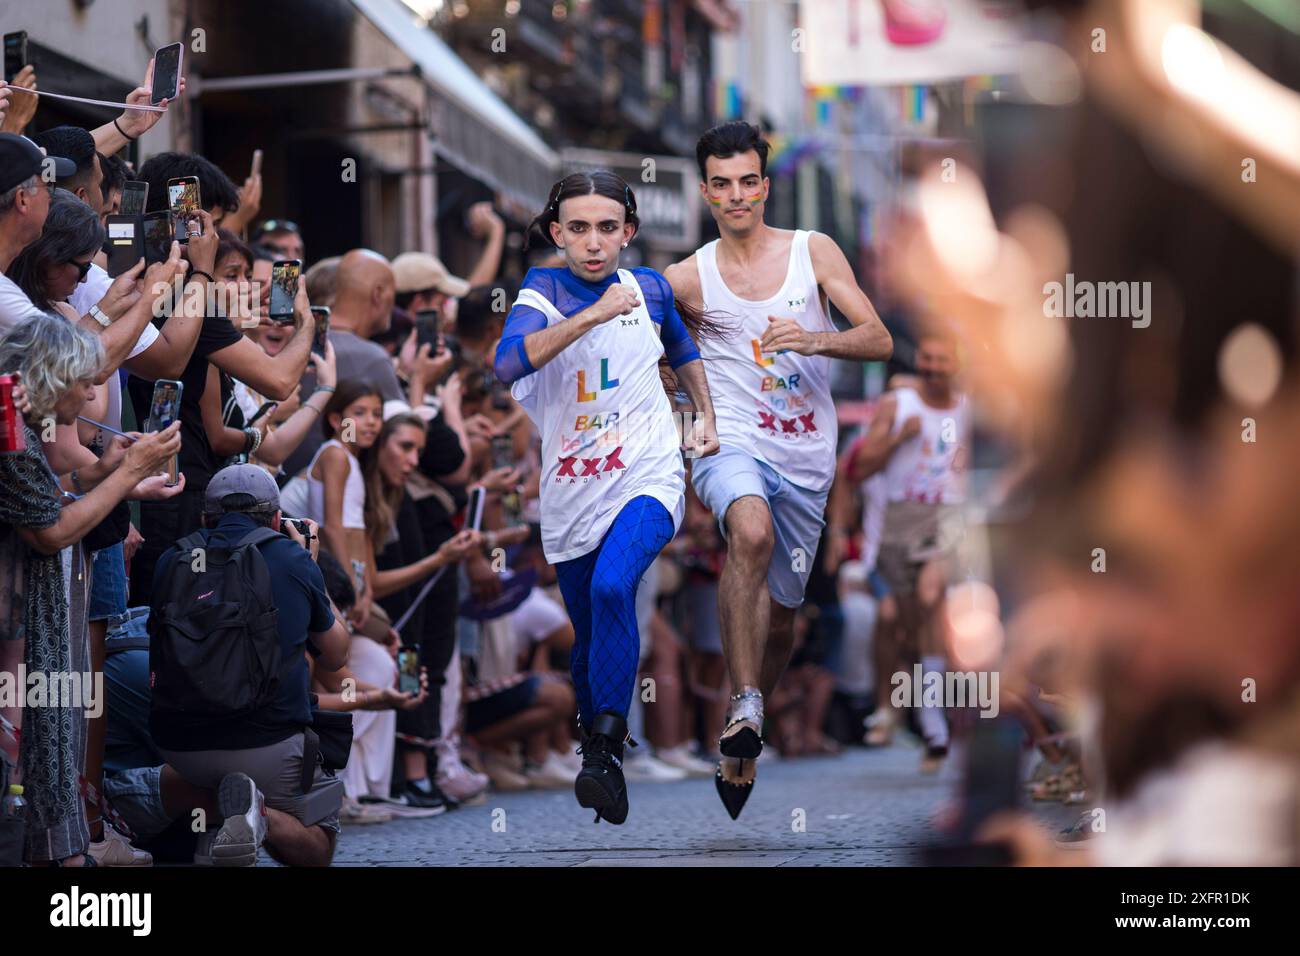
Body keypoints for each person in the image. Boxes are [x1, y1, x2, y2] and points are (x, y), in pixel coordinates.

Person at [664, 120, 892, 818]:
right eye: (722, 184)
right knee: (750, 533)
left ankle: (743, 733)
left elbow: (878, 338)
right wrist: (688, 427)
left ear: (765, 185)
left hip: (806, 455)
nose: (737, 196)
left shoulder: (811, 252)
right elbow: (656, 363)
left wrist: (814, 338)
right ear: (705, 191)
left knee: (785, 618)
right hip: (732, 444)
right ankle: (746, 703)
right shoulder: (685, 278)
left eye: (748, 182)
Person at [493, 169, 720, 824]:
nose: (594, 243)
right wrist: (591, 314)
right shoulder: (543, 289)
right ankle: (602, 759)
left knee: (615, 588)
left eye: (608, 228)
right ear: (558, 232)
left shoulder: (649, 288)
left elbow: (680, 348)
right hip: (570, 487)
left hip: (649, 473)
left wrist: (704, 416)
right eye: (580, 228)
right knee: (589, 633)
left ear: (630, 232)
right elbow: (506, 364)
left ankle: (604, 744)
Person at [0, 313, 181, 866]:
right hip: (20, 626)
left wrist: (107, 473)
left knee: (45, 744)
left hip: (30, 623)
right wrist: (125, 477)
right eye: (84, 379)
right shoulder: (10, 426)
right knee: (29, 751)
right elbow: (49, 531)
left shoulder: (20, 418)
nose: (94, 392)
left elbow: (49, 496)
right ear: (52, 377)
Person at [150, 465, 350, 866]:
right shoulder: (292, 558)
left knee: (181, 785)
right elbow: (337, 654)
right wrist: (312, 567)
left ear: (206, 518)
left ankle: (220, 816)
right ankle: (256, 814)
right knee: (319, 849)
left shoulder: (172, 559)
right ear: (277, 519)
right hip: (267, 746)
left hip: (180, 746)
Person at [850, 329, 969, 770]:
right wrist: (899, 438)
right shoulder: (896, 405)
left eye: (942, 359)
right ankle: (916, 713)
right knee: (907, 622)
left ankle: (933, 721)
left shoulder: (969, 409)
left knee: (929, 596)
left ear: (957, 364)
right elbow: (860, 467)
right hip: (900, 520)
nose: (933, 367)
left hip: (947, 519)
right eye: (927, 358)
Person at [280, 380, 383, 625]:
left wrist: (365, 587)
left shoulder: (351, 458)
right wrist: (351, 586)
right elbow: (332, 525)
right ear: (336, 421)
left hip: (351, 570)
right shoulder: (335, 454)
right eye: (360, 413)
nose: (371, 421)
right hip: (338, 571)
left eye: (377, 414)